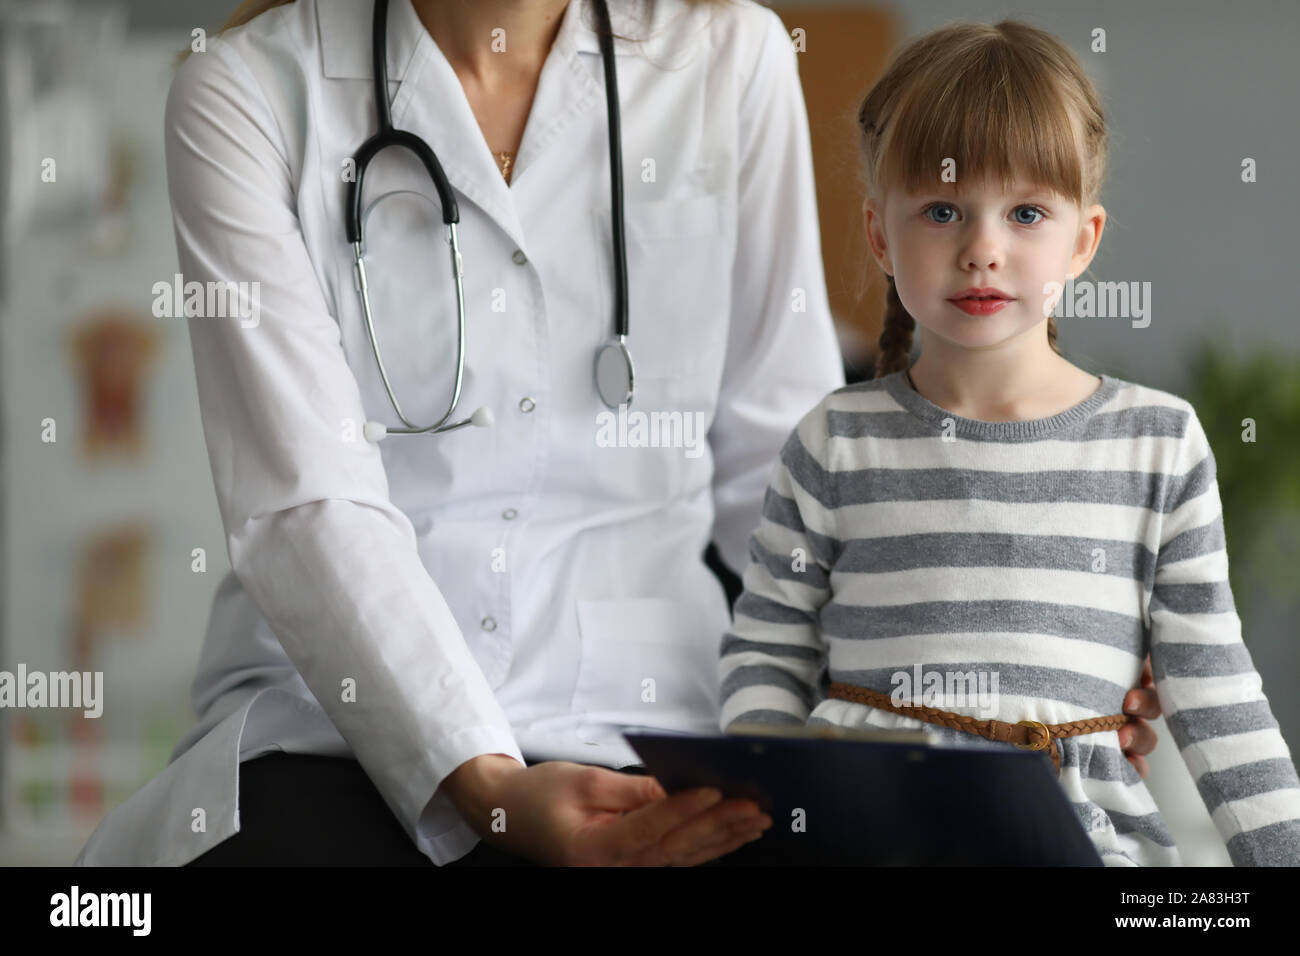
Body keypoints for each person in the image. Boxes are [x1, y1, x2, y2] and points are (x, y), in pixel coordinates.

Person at [75, 1, 1161, 868]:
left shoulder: (725, 59)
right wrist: (485, 788)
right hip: (338, 729)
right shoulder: (248, 94)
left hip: (656, 720)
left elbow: (773, 475)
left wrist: (1007, 666)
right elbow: (305, 501)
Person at [718, 19, 1300, 866]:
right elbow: (766, 657)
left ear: (1083, 241)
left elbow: (1217, 694)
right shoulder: (833, 442)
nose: (982, 249)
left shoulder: (1159, 445)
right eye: (943, 210)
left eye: (1027, 212)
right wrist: (769, 820)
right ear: (881, 235)